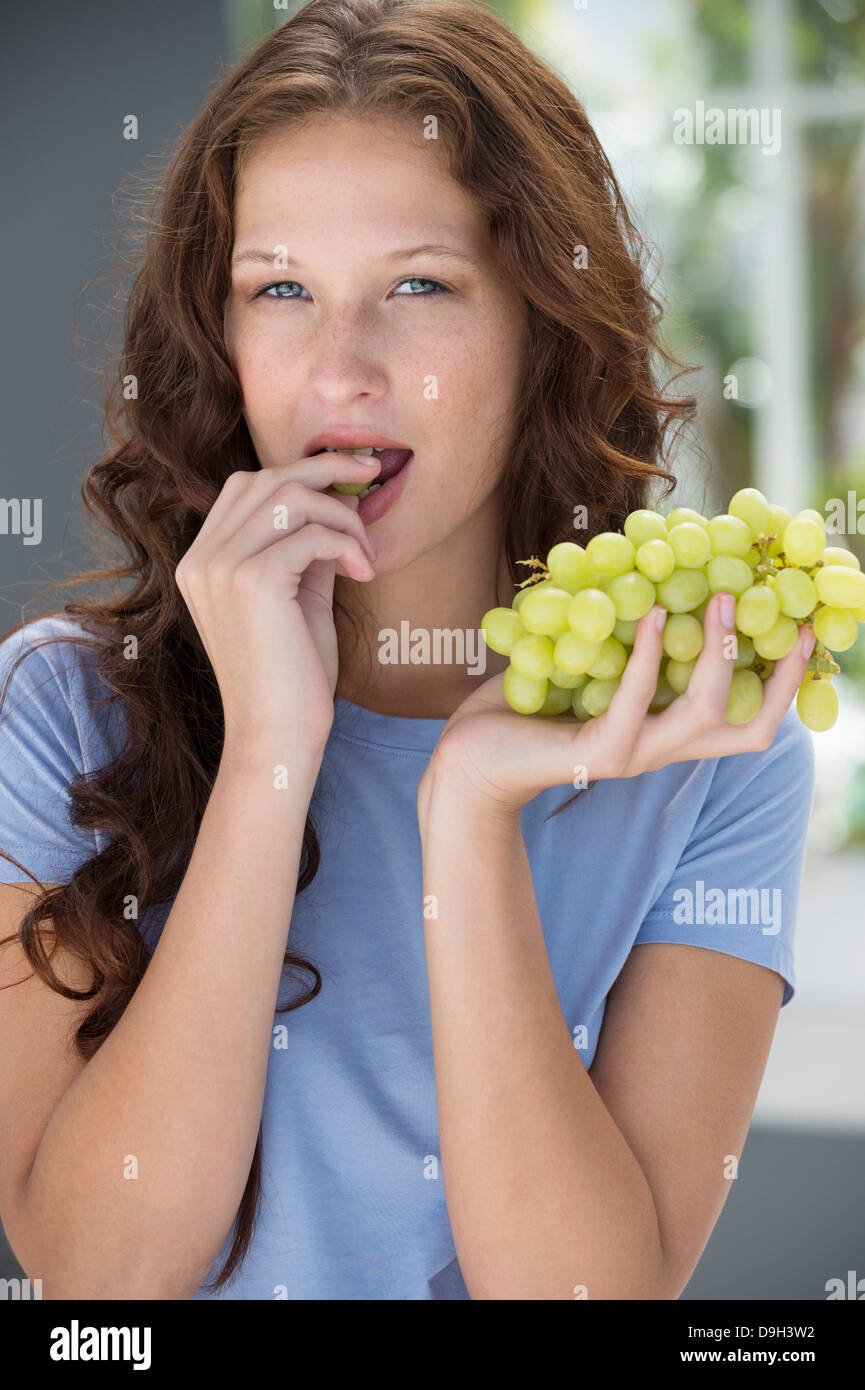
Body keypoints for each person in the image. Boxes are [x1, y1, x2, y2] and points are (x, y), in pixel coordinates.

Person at [0, 0, 815, 1300]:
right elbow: (102, 1284)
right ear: (220, 337)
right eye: (280, 290)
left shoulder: (710, 742)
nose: (342, 369)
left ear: (541, 322)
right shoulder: (56, 707)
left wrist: (469, 806)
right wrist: (274, 745)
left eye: (418, 284)